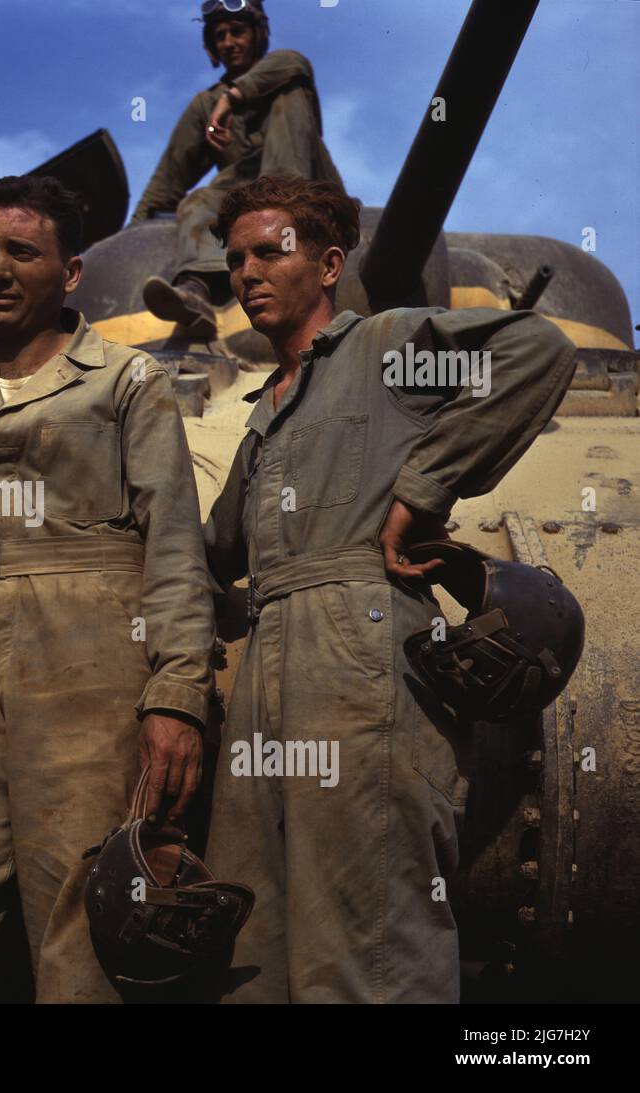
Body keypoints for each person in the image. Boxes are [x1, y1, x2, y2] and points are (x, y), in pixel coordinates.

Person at [200, 175, 577, 1002]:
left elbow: (536, 351)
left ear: (330, 263)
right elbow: (212, 551)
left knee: (368, 946)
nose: (247, 273)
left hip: (360, 663)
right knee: (251, 951)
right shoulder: (264, 416)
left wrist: (426, 485)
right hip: (267, 676)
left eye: (270, 251)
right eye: (235, 260)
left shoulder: (387, 349)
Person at [0, 175, 214, 1002]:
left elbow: (173, 544)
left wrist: (176, 692)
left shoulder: (126, 381)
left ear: (69, 274)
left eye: (21, 252)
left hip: (89, 656)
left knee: (80, 926)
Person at [133, 0, 342, 340]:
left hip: (309, 197)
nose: (228, 42)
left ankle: (281, 202)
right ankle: (197, 291)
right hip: (249, 203)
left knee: (289, 90)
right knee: (199, 200)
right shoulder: (205, 105)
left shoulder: (286, 71)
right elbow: (168, 180)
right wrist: (130, 238)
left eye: (237, 31)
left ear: (258, 34)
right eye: (219, 36)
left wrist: (232, 98)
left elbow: (294, 62)